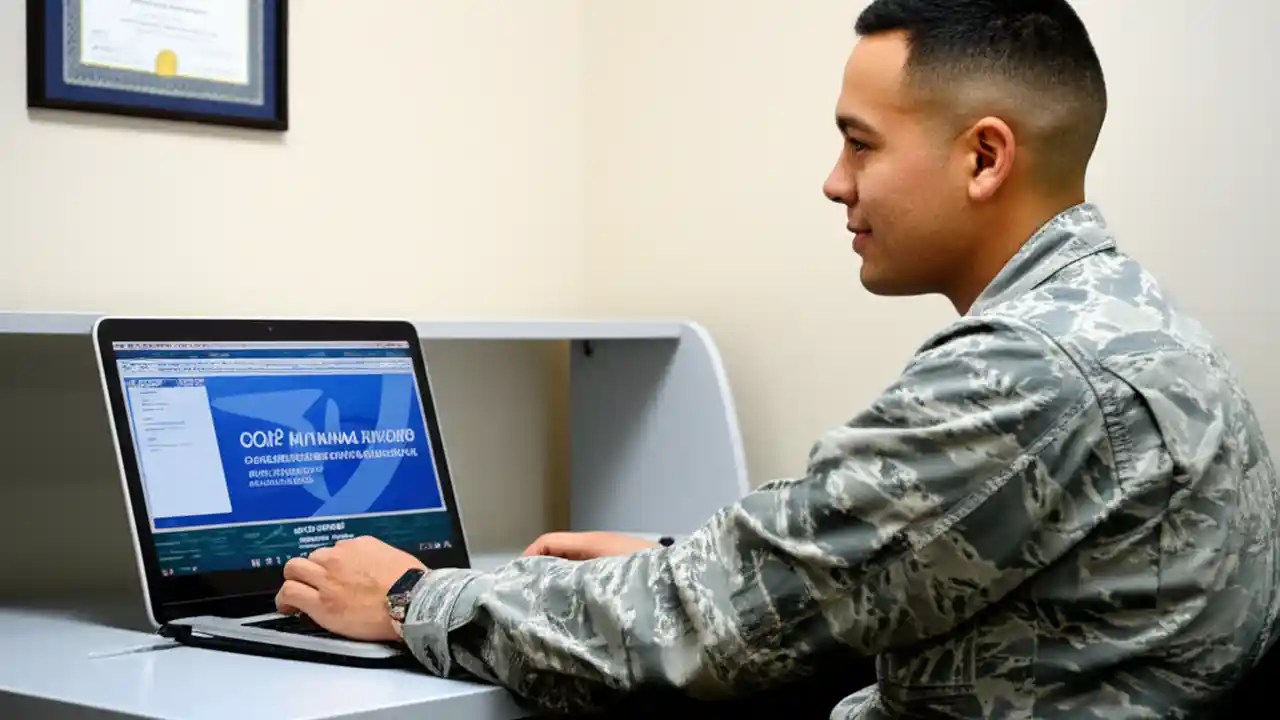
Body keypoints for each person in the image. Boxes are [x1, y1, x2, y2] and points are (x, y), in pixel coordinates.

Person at [271, 1, 1280, 717]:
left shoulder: (1026, 373)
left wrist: (412, 600)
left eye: (860, 144)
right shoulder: (1127, 320)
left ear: (982, 157)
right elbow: (843, 573)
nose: (833, 183)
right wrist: (678, 567)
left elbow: (699, 631)